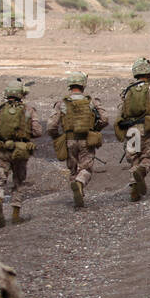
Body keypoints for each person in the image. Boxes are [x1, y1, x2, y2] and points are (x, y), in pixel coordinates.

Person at [47, 71, 106, 209]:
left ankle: (78, 194)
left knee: (73, 170)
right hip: (86, 140)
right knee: (86, 169)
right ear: (83, 85)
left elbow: (51, 126)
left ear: (70, 85)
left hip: (69, 140)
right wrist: (95, 130)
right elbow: (104, 119)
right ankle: (80, 184)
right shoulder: (91, 102)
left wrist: (57, 136)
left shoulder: (62, 103)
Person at [0, 80, 43, 226]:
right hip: (21, 151)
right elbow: (38, 131)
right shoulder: (29, 110)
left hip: (1, 150)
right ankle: (15, 214)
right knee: (19, 182)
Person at [115, 57, 150, 202]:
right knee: (148, 158)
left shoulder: (126, 91)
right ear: (149, 73)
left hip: (131, 130)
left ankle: (134, 188)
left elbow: (121, 112)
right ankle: (141, 172)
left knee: (134, 159)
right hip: (146, 129)